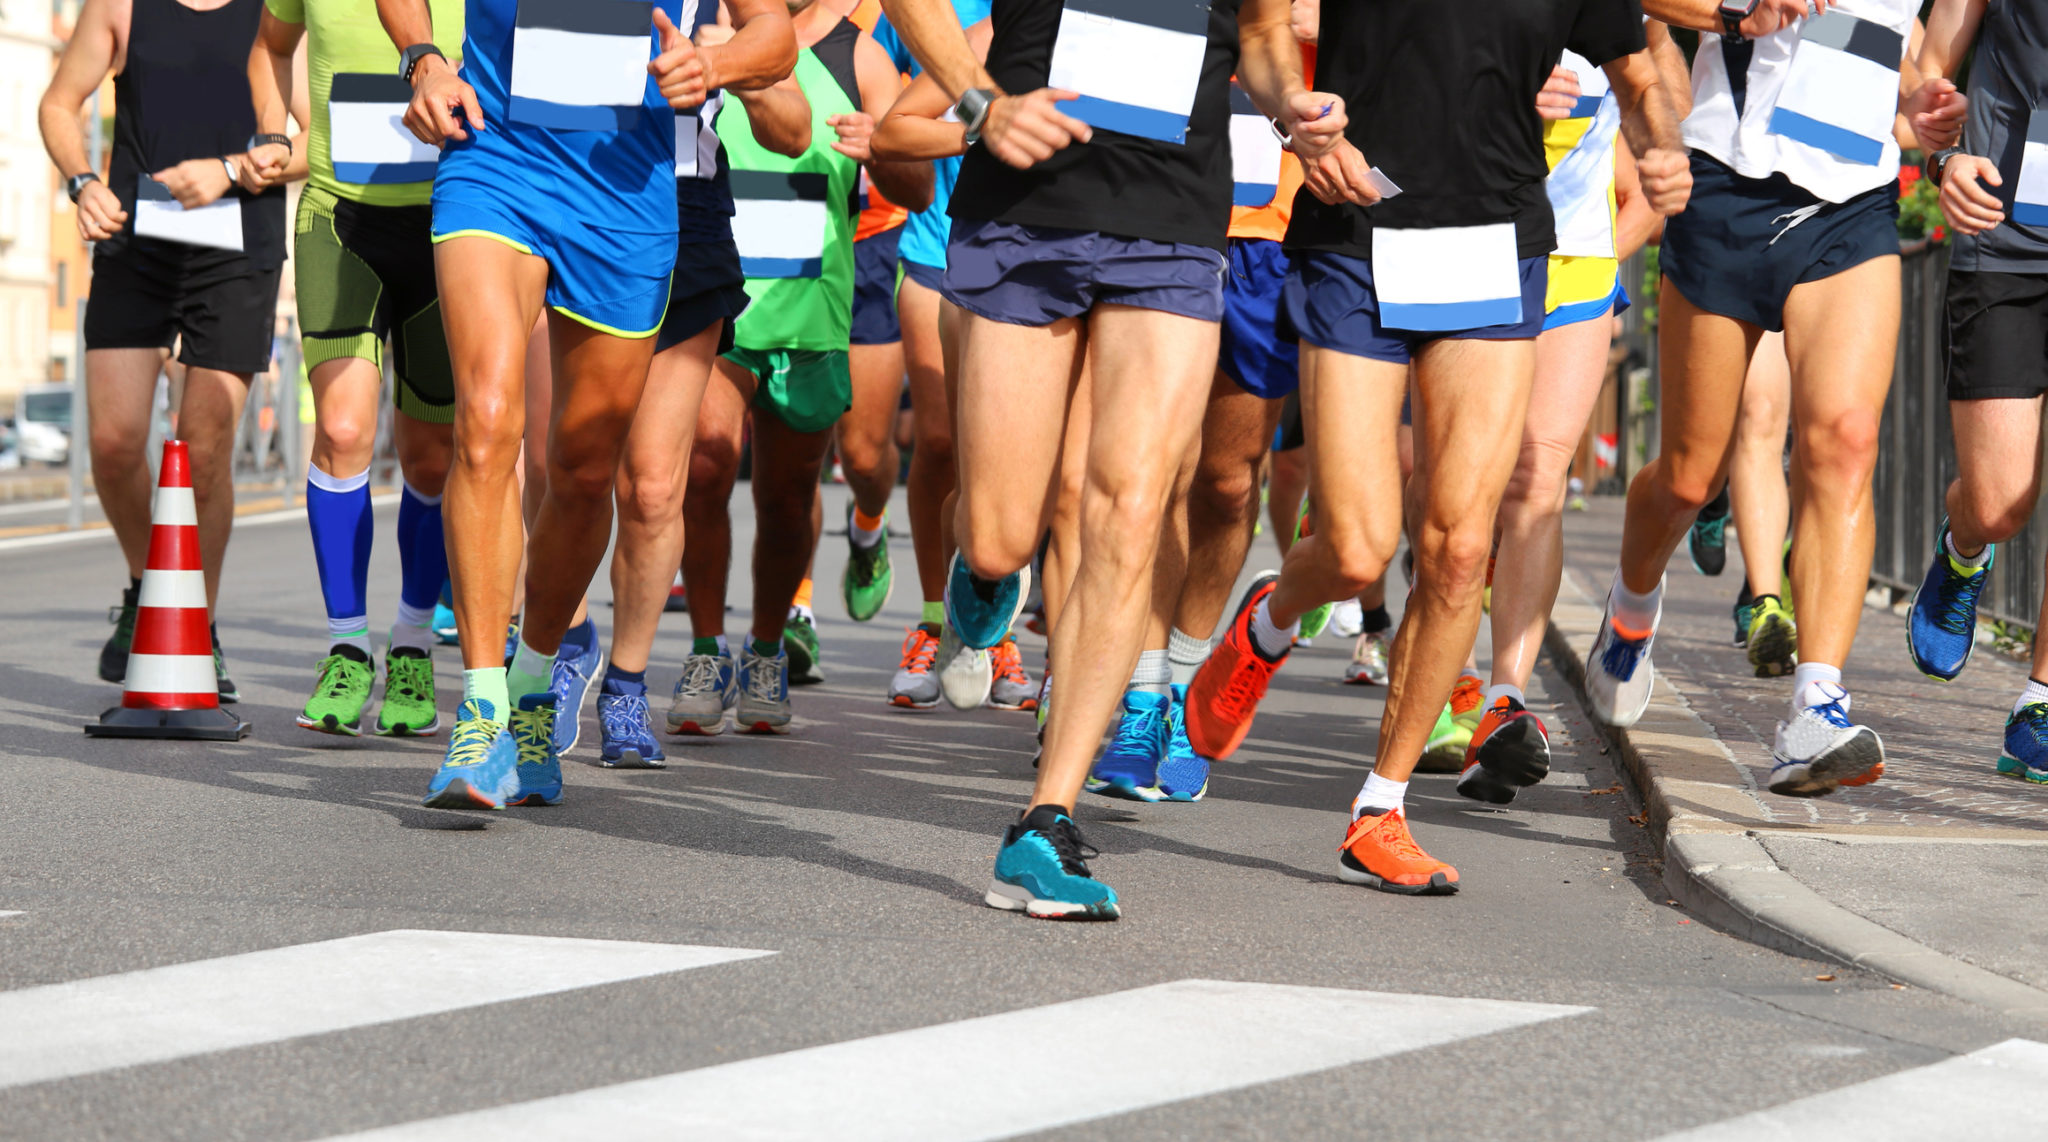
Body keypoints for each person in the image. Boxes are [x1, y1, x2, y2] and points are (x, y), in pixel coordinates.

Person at [1183, 0, 1692, 895]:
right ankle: (1267, 622)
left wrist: (1661, 147)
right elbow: (1263, 34)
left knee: (1460, 546)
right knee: (1353, 545)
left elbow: (1639, 70)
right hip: (1355, 229)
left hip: (1493, 243)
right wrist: (1290, 113)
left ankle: (1379, 812)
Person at [882, 0, 1346, 919]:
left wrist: (1288, 97)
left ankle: (1044, 820)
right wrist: (979, 104)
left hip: (1175, 219)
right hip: (1025, 207)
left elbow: (1254, 31)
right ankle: (982, 578)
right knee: (1003, 533)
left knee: (1130, 507)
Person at [376, 0, 797, 810]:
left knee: (582, 467)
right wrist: (423, 59)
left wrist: (714, 67)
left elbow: (773, 34)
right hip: (493, 158)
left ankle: (534, 684)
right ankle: (483, 707)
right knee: (489, 422)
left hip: (626, 196)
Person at [1590, 0, 1963, 800]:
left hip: (1851, 204)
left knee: (1847, 438)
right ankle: (1630, 606)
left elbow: (1874, 37)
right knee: (1691, 475)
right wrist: (1732, 14)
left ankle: (1815, 707)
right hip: (1726, 188)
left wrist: (1918, 98)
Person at [668, 0, 931, 735]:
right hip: (718, 293)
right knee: (708, 463)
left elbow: (915, 190)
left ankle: (764, 650)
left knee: (787, 498)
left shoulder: (861, 56)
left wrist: (885, 145)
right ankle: (704, 649)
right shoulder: (700, 28)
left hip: (812, 307)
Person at [1454, 27, 1684, 806]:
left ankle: (1504, 700)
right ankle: (1441, 679)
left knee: (1538, 477)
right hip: (1467, 249)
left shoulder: (1618, 23)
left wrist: (1600, 255)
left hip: (1574, 266)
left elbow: (1651, 159)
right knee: (1448, 491)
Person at [40, 0, 289, 704]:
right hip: (136, 236)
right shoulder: (117, 5)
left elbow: (313, 142)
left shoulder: (275, 12)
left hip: (237, 243)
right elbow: (59, 104)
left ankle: (196, 626)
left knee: (202, 449)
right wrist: (81, 181)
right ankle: (150, 588)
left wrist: (233, 169)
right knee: (116, 443)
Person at [591, 6, 813, 767]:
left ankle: (631, 681)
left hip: (694, 217)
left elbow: (793, 124)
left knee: (661, 486)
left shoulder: (733, 18)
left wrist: (724, 66)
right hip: (566, 203)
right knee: (571, 465)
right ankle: (547, 650)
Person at [248, 0, 457, 739]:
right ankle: (346, 645)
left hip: (451, 219)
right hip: (339, 217)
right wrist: (275, 131)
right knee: (341, 430)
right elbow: (269, 49)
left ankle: (411, 643)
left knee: (432, 455)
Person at [1913, 0, 2048, 785]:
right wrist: (1944, 159)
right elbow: (1928, 74)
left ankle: (2039, 701)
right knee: (2000, 501)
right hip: (2004, 242)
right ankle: (1964, 550)